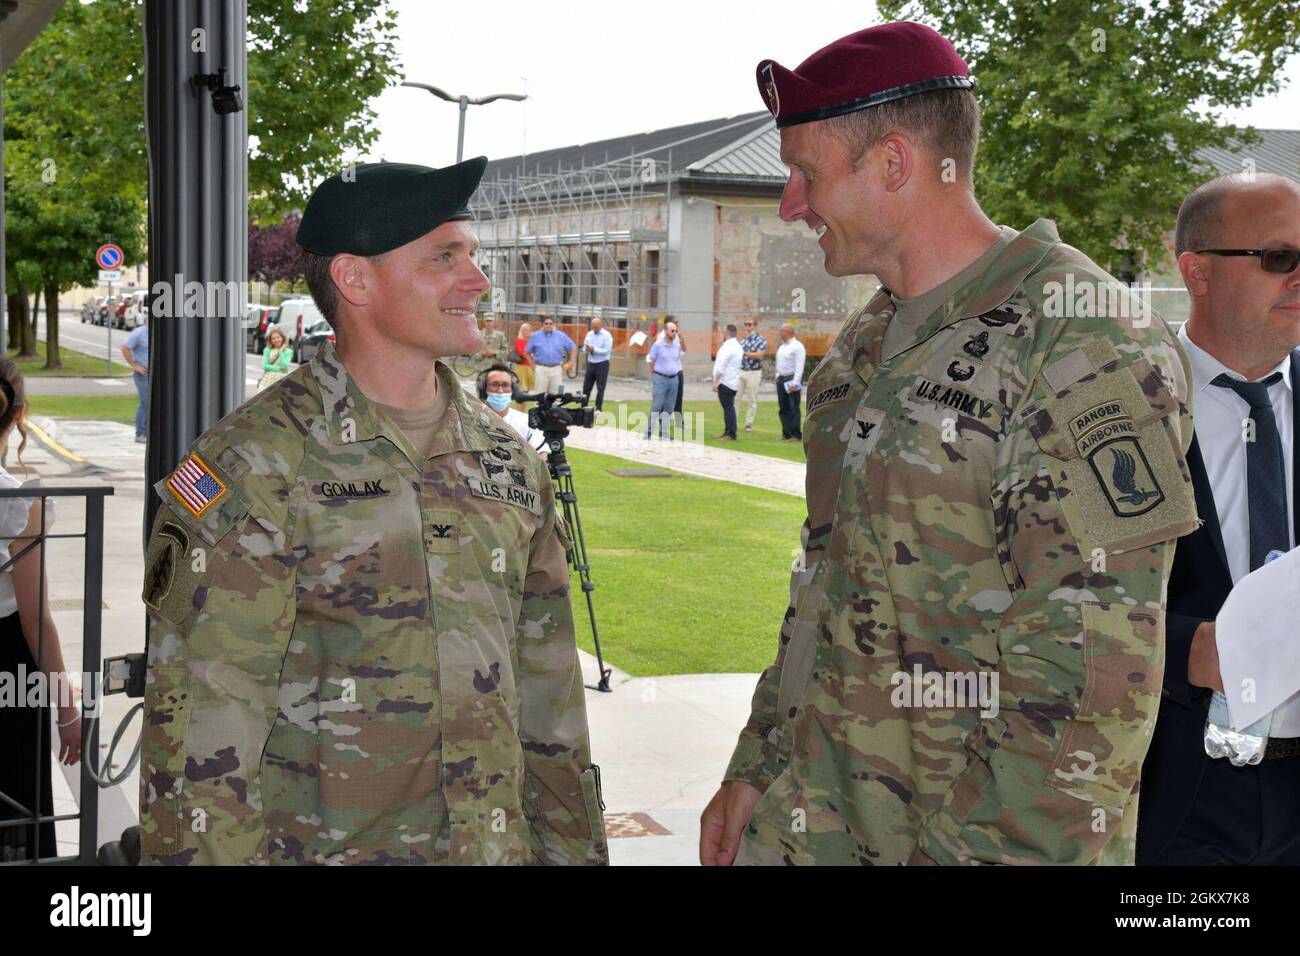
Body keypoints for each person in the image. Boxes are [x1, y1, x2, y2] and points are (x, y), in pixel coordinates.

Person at [700, 21, 1197, 867]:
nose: (790, 204)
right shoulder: (866, 344)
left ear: (893, 164)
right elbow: (822, 579)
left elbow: (1091, 687)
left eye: (804, 175)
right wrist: (760, 762)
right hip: (814, 825)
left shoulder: (1083, 339)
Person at [137, 158, 607, 866]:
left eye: (472, 257)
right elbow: (203, 738)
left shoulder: (510, 461)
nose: (477, 280)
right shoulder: (253, 468)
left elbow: (550, 697)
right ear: (356, 279)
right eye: (444, 257)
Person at [1137, 172, 1300, 866]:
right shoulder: (1119, 406)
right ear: (1196, 272)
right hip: (1170, 791)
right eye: (1280, 259)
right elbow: (1035, 596)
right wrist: (1185, 650)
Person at [0, 360, 82, 861]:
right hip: (6, 661)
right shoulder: (18, 500)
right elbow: (35, 618)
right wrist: (68, 709)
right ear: (19, 415)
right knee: (18, 807)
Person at [481, 363, 548, 459]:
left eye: (505, 385)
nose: (500, 390)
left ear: (513, 391)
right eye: (494, 385)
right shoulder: (471, 421)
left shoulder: (528, 422)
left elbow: (542, 456)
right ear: (483, 390)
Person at [645, 319, 683, 439]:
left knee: (669, 407)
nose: (674, 333)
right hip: (660, 378)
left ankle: (664, 432)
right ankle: (649, 431)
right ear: (666, 331)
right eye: (672, 330)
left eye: (676, 331)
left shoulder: (677, 345)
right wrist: (654, 375)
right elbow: (650, 360)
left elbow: (677, 359)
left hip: (674, 379)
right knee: (657, 405)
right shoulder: (658, 345)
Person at [773, 323, 806, 441]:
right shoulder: (782, 347)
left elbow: (799, 365)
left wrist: (796, 382)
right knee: (783, 408)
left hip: (791, 379)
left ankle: (795, 434)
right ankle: (786, 433)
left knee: (793, 407)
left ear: (789, 332)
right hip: (781, 379)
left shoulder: (797, 346)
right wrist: (777, 375)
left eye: (782, 331)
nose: (780, 333)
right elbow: (780, 363)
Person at [525, 318, 575, 395]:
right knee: (539, 395)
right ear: (542, 325)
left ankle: (555, 407)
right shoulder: (535, 336)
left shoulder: (561, 335)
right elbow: (527, 352)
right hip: (541, 368)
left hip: (556, 368)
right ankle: (540, 407)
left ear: (553, 324)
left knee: (557, 395)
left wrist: (571, 361)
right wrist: (532, 366)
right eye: (546, 323)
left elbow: (572, 348)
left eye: (550, 323)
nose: (548, 325)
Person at [712, 324, 743, 440]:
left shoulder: (728, 347)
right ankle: (727, 431)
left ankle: (731, 433)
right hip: (733, 381)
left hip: (726, 381)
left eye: (722, 333)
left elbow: (721, 366)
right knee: (728, 407)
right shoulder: (737, 346)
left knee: (728, 408)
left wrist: (715, 382)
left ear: (726, 333)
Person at [121, 321, 149, 444]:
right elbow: (125, 347)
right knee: (145, 402)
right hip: (143, 374)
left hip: (154, 374)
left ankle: (149, 432)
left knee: (153, 404)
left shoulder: (155, 334)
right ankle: (140, 433)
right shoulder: (139, 333)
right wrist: (134, 365)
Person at [737, 320, 768, 431]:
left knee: (752, 398)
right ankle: (733, 421)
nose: (747, 326)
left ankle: (748, 423)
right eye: (745, 324)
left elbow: (759, 355)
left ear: (755, 326)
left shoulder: (761, 340)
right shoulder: (743, 340)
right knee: (736, 397)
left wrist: (745, 353)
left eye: (749, 324)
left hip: (754, 371)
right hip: (741, 370)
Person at [581, 317, 613, 412]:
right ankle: (583, 406)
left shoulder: (607, 335)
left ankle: (598, 407)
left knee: (600, 387)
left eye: (596, 327)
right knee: (586, 387)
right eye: (593, 327)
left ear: (600, 326)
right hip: (591, 363)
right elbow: (584, 347)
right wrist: (586, 349)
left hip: (602, 363)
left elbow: (607, 350)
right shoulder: (589, 334)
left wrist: (594, 349)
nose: (594, 329)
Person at [257, 328, 293, 392]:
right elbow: (265, 366)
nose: (276, 340)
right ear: (270, 341)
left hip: (282, 380)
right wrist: (279, 369)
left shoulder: (288, 351)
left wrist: (281, 351)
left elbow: (284, 365)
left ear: (282, 338)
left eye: (278, 337)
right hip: (267, 379)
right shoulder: (267, 350)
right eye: (273, 338)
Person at [513, 322, 535, 394]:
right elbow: (522, 352)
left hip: (531, 367)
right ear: (522, 331)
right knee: (523, 389)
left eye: (529, 330)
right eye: (525, 330)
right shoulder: (518, 340)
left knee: (531, 388)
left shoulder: (533, 340)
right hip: (522, 367)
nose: (528, 331)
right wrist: (531, 356)